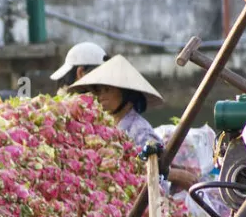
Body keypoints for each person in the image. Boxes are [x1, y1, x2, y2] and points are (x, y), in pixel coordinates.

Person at [71, 54, 199, 192]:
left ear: (126, 94)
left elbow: (155, 172)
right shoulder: (106, 127)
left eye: (107, 90)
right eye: (99, 91)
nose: (101, 96)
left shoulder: (140, 130)